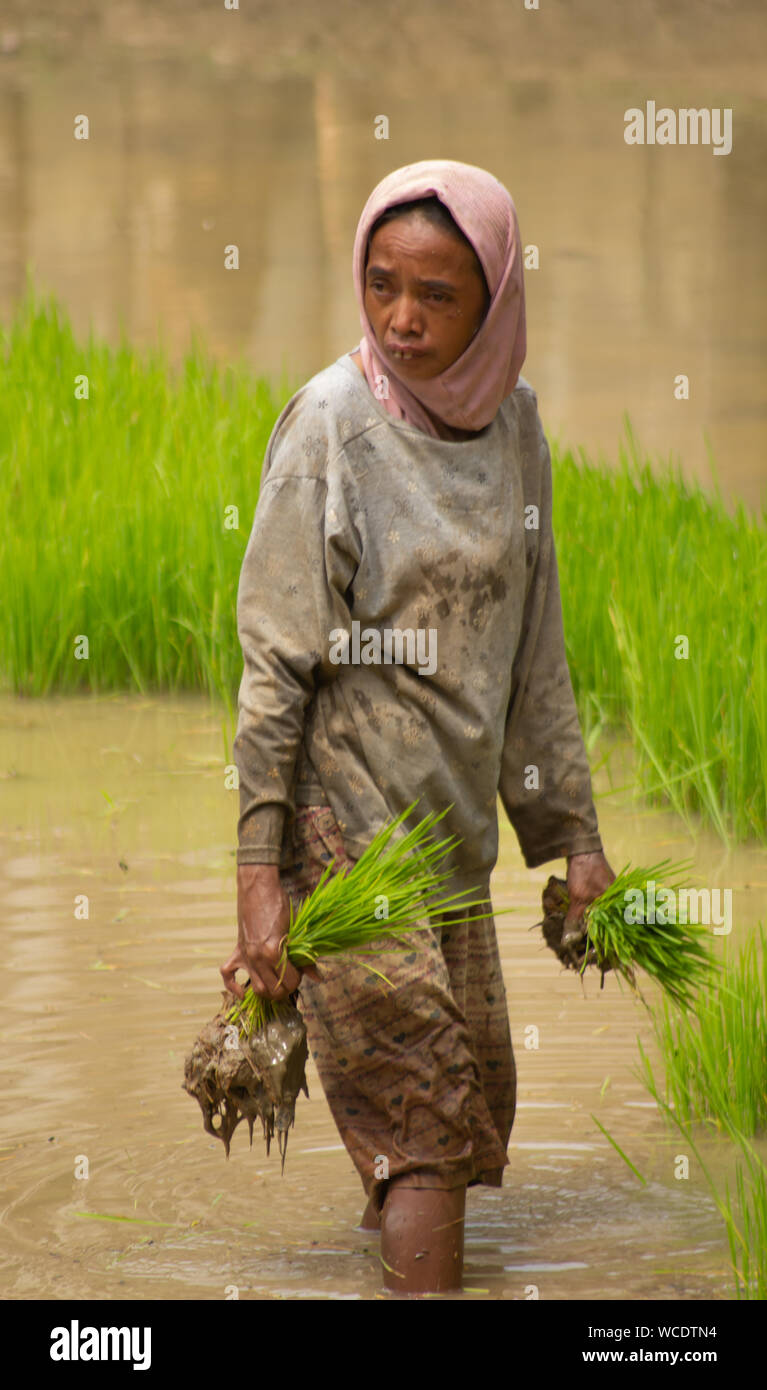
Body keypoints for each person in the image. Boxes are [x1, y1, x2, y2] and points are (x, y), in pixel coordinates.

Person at [221, 159, 614, 1297]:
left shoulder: (515, 426)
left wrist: (570, 838)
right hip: (345, 845)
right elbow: (273, 669)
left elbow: (532, 654)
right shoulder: (330, 429)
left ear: (494, 300)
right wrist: (260, 877)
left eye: (436, 296)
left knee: (461, 1106)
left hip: (447, 851)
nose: (401, 318)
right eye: (382, 285)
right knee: (427, 1125)